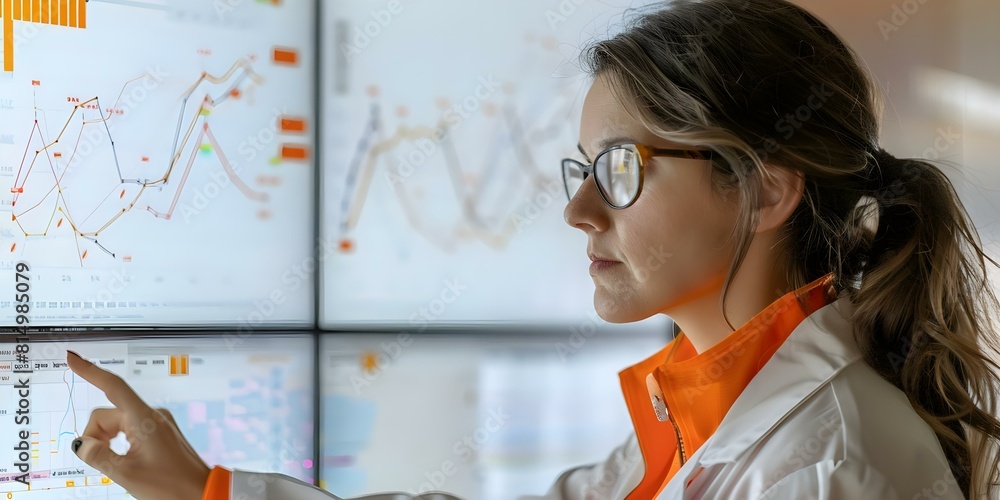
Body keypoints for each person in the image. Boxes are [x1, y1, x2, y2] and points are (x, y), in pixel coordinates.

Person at [65, 0, 1000, 498]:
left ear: (768, 189)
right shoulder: (699, 418)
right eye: (583, 167)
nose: (581, 208)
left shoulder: (823, 471)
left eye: (624, 166)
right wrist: (206, 491)